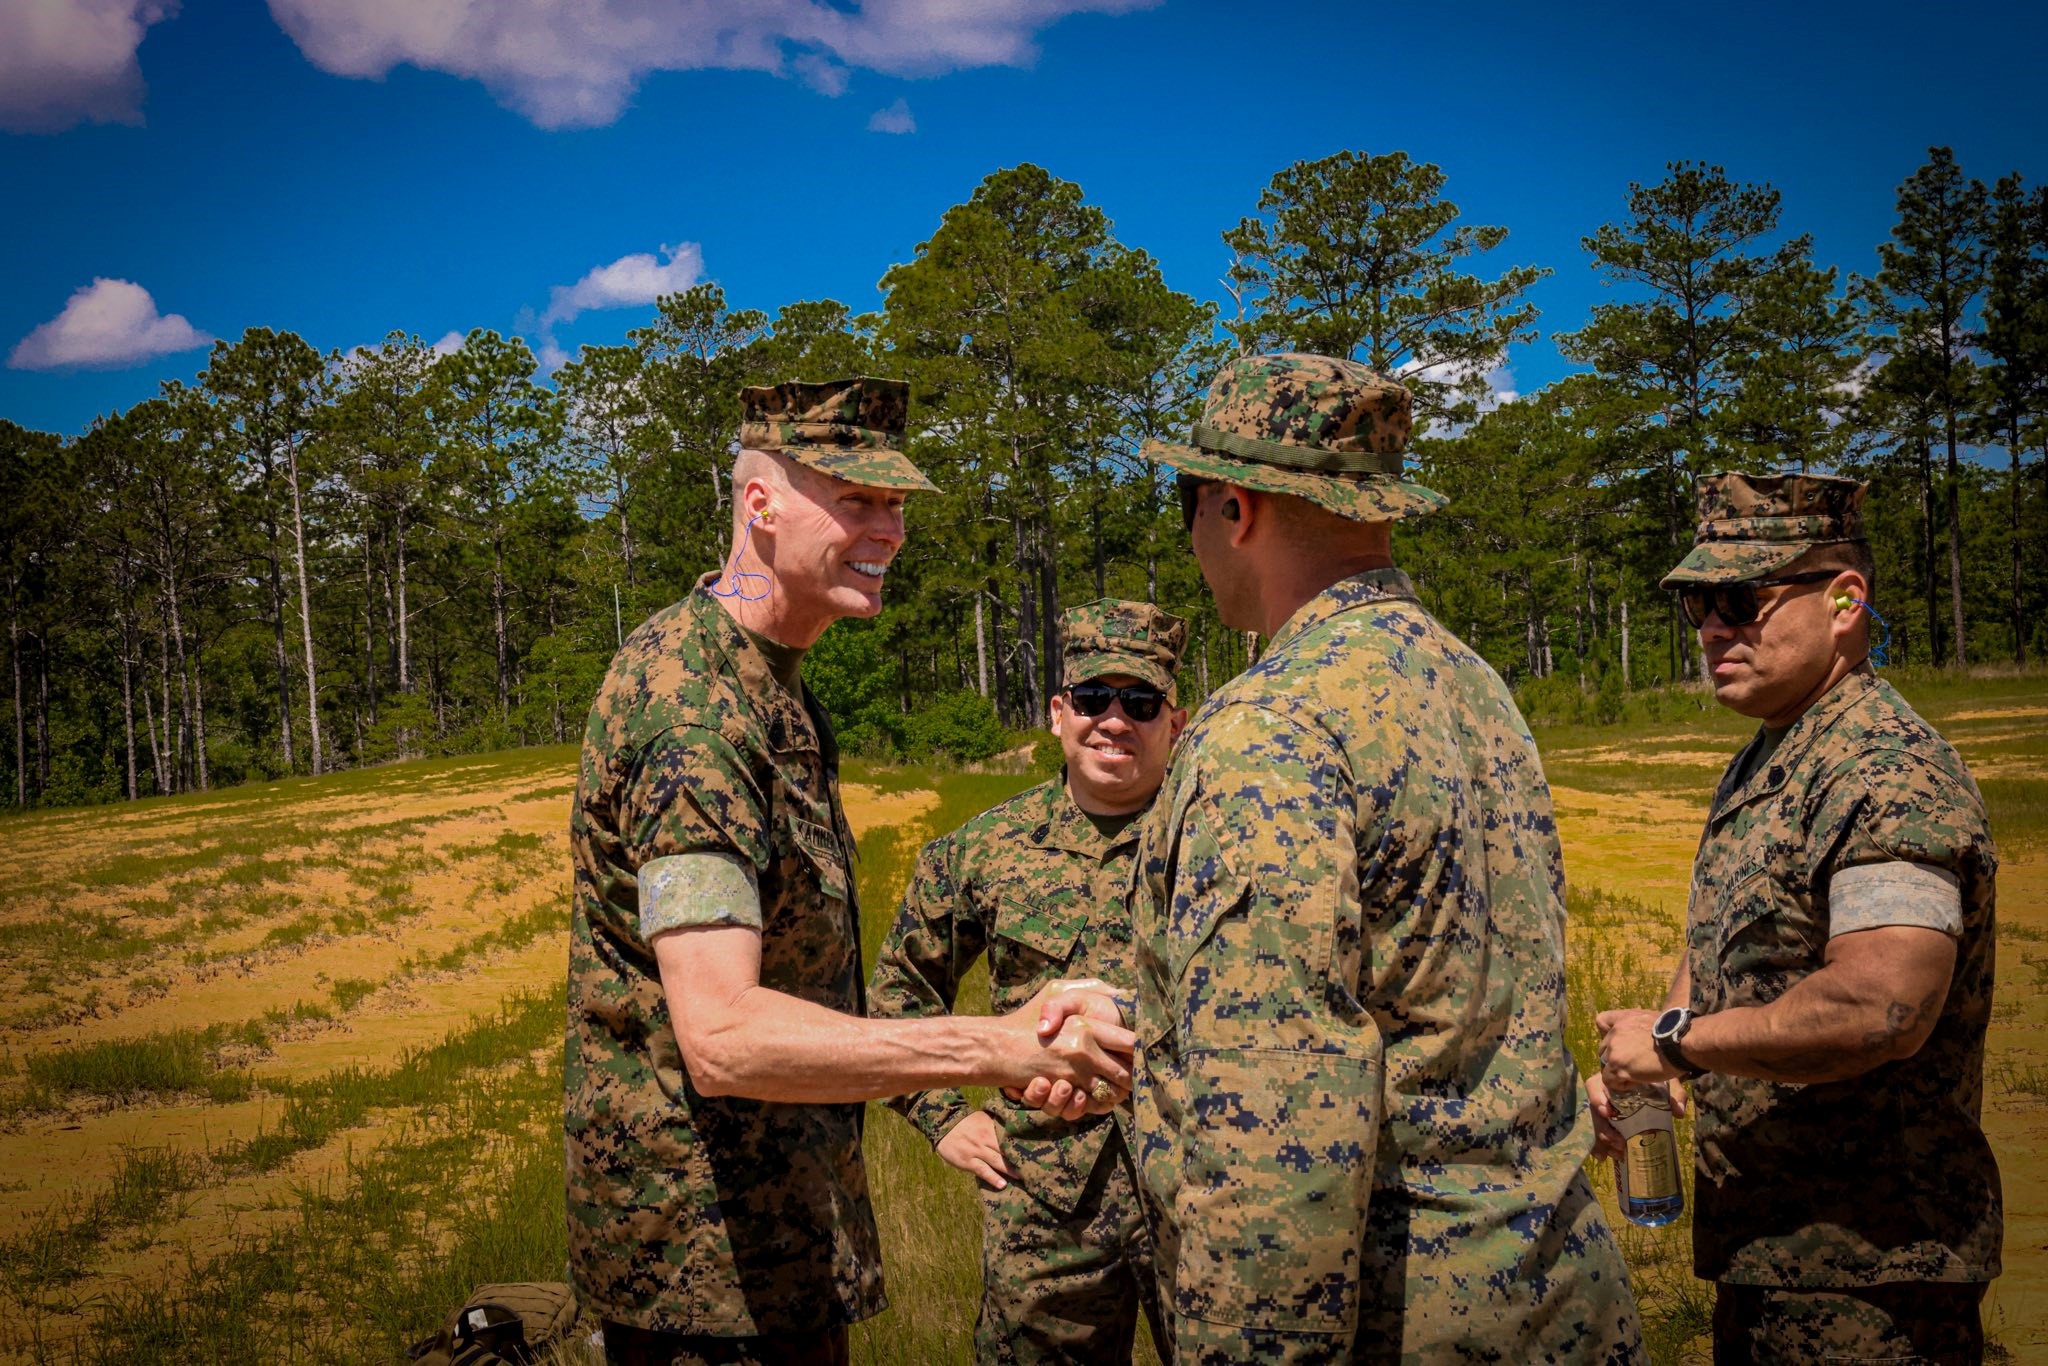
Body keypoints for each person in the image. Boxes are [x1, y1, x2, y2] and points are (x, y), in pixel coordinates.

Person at [1039, 352, 1644, 1363]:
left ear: (1233, 507)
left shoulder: (1273, 723)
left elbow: (1277, 1130)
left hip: (1401, 1316)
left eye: (1185, 506)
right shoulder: (1472, 687)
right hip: (1553, 1291)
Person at [565, 377, 1136, 1366]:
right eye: (858, 499)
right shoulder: (694, 707)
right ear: (760, 505)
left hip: (773, 1249)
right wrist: (992, 1049)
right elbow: (723, 1038)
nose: (889, 529)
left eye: (898, 504)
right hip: (702, 1278)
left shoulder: (772, 686)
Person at [1590, 471, 2001, 1365]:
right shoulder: (1772, 758)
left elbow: (1880, 1007)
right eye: (1700, 604)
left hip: (1876, 1276)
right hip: (1774, 1258)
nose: (1712, 629)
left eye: (1741, 599)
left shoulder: (1885, 773)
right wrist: (1664, 1063)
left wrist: (1678, 1042)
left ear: (1845, 601)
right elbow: (1734, 947)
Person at [869, 599, 1189, 1364]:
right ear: (1058, 713)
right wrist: (943, 1117)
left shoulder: (1222, 845)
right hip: (1045, 1207)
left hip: (1200, 1190)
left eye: (1140, 703)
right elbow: (895, 993)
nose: (1115, 720)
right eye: (1092, 700)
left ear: (1174, 725)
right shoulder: (983, 852)